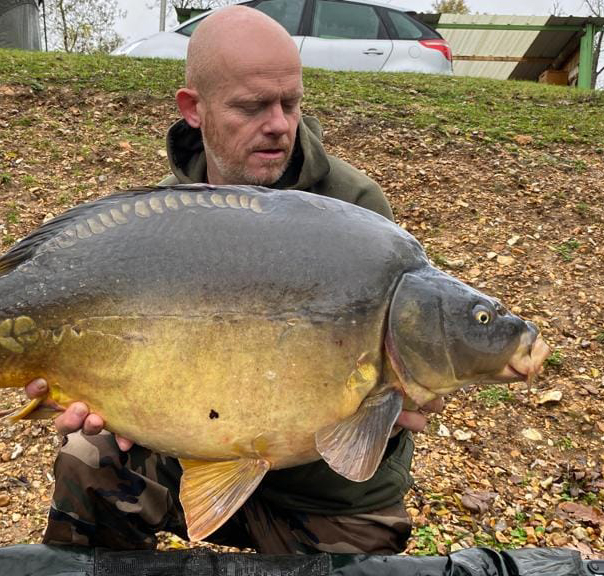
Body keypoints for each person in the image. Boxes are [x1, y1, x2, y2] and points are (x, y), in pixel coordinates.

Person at [23, 5, 441, 554]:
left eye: (290, 103)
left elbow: (399, 367)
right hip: (193, 451)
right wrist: (99, 391)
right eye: (252, 106)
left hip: (323, 496)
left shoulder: (356, 211)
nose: (279, 124)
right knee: (86, 455)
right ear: (193, 109)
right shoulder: (159, 221)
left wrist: (394, 405)